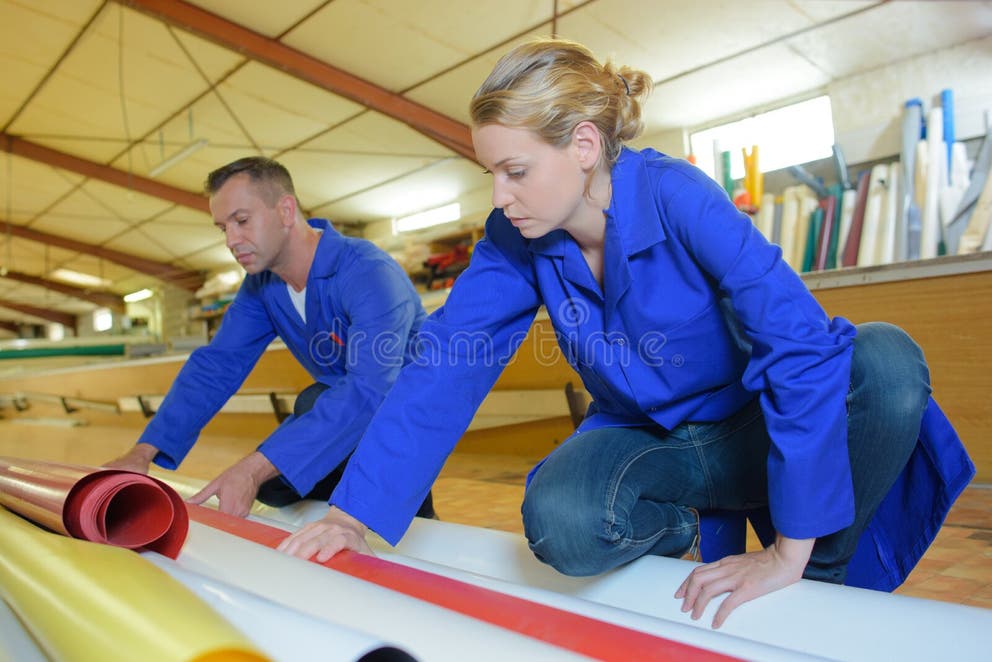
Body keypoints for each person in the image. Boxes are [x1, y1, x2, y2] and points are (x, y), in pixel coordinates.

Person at [277, 39, 973, 628]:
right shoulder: (514, 239)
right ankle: (689, 529)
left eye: (515, 172)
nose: (499, 196)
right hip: (650, 442)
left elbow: (795, 341)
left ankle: (817, 568)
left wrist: (788, 550)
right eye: (491, 174)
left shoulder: (678, 195)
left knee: (884, 362)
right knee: (562, 517)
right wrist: (353, 513)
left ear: (583, 146)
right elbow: (445, 362)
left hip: (749, 426)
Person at [106, 156, 436, 520]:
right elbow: (217, 366)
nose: (232, 240)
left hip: (408, 413)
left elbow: (371, 388)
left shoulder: (368, 272)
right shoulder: (262, 287)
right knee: (275, 486)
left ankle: (416, 516)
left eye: (242, 221)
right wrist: (144, 451)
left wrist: (253, 467)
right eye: (223, 228)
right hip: (345, 408)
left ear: (286, 210)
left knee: (301, 423)